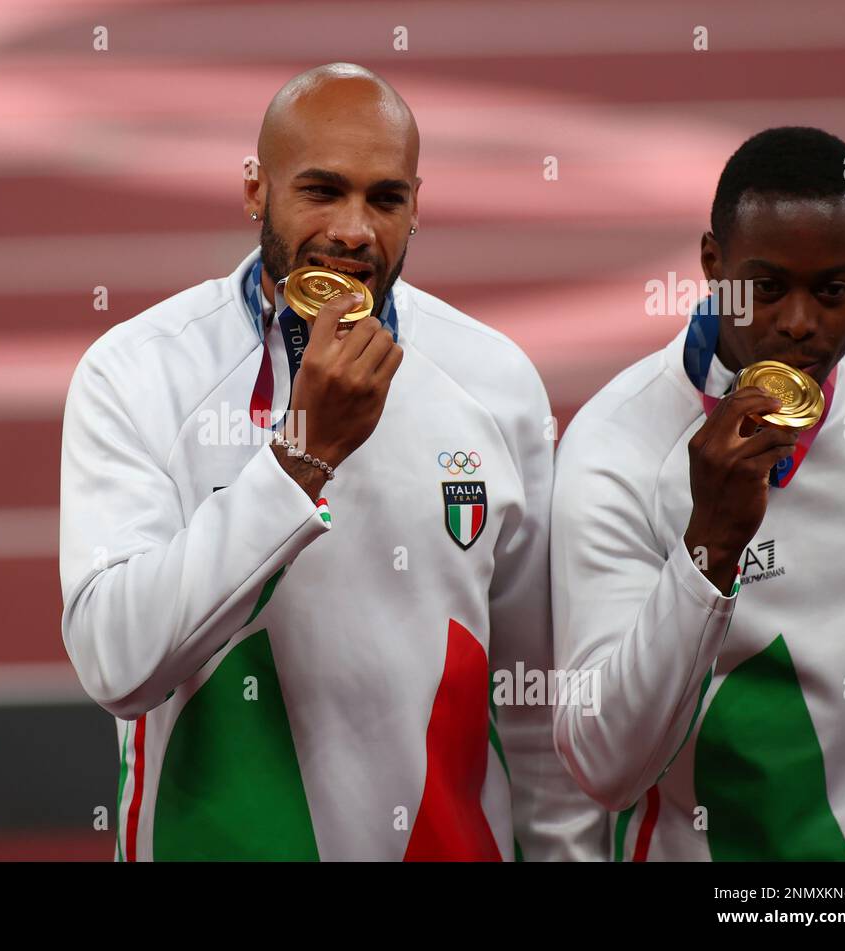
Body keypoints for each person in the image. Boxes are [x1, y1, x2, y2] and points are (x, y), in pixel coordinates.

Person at [60, 62, 605, 861]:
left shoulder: (496, 382)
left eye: (386, 198)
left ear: (417, 207)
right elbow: (118, 663)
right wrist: (301, 458)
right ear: (256, 191)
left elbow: (532, 702)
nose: (354, 230)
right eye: (322, 191)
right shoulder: (136, 372)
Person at [551, 126, 845, 860]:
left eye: (832, 290)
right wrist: (708, 546)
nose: (799, 323)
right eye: (766, 287)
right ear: (713, 262)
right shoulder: (615, 448)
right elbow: (602, 764)